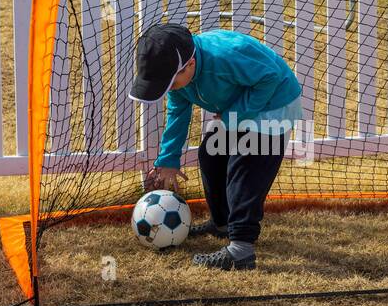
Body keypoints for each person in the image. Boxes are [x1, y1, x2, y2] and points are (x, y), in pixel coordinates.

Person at [130, 23, 303, 271]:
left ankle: (241, 250)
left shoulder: (225, 55)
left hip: (274, 104)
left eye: (170, 82)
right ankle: (221, 223)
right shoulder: (179, 78)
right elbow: (178, 113)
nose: (169, 89)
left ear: (189, 64)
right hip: (239, 107)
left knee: (245, 168)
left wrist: (234, 114)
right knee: (211, 154)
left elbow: (270, 77)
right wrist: (168, 160)